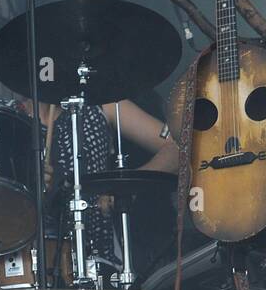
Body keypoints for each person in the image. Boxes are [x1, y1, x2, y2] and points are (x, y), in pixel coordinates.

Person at [19, 96, 179, 274]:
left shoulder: (105, 106)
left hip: (99, 261)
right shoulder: (5, 118)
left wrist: (127, 186)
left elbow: (177, 148)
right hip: (25, 263)